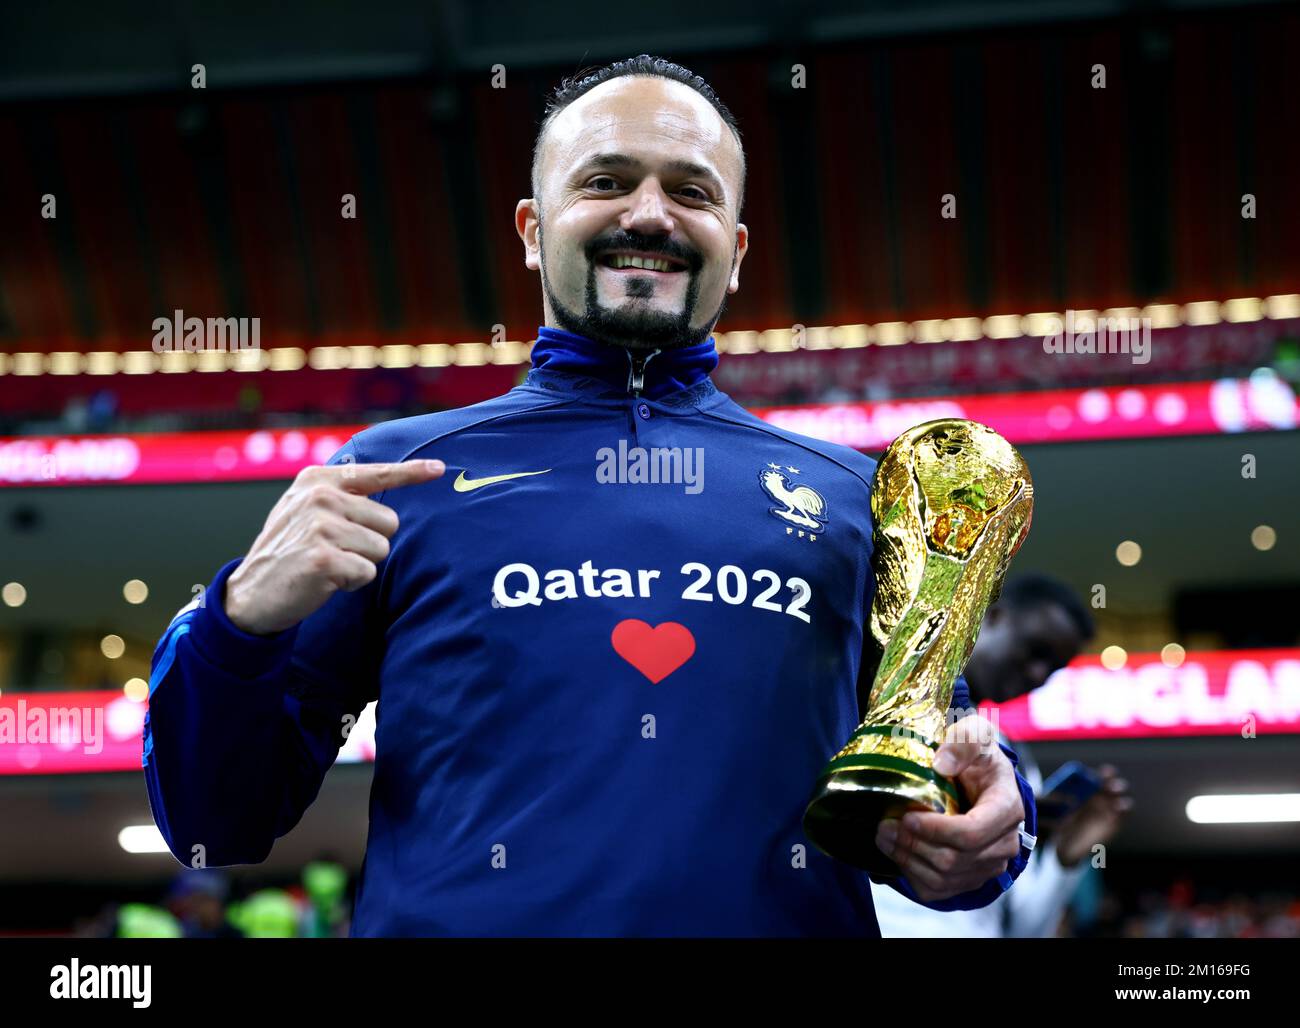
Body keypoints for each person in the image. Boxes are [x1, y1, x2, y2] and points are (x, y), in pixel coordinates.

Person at [143, 54, 1036, 937]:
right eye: (607, 181)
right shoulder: (395, 476)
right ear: (533, 229)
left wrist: (988, 816)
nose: (649, 214)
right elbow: (216, 825)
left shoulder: (857, 499)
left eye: (693, 192)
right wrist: (236, 625)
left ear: (738, 252)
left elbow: (934, 765)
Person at [872, 574, 1134, 937]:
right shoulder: (883, 701)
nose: (1039, 673)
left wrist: (1065, 858)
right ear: (992, 616)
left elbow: (1021, 929)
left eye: (1054, 667)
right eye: (1036, 650)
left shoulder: (1016, 759)